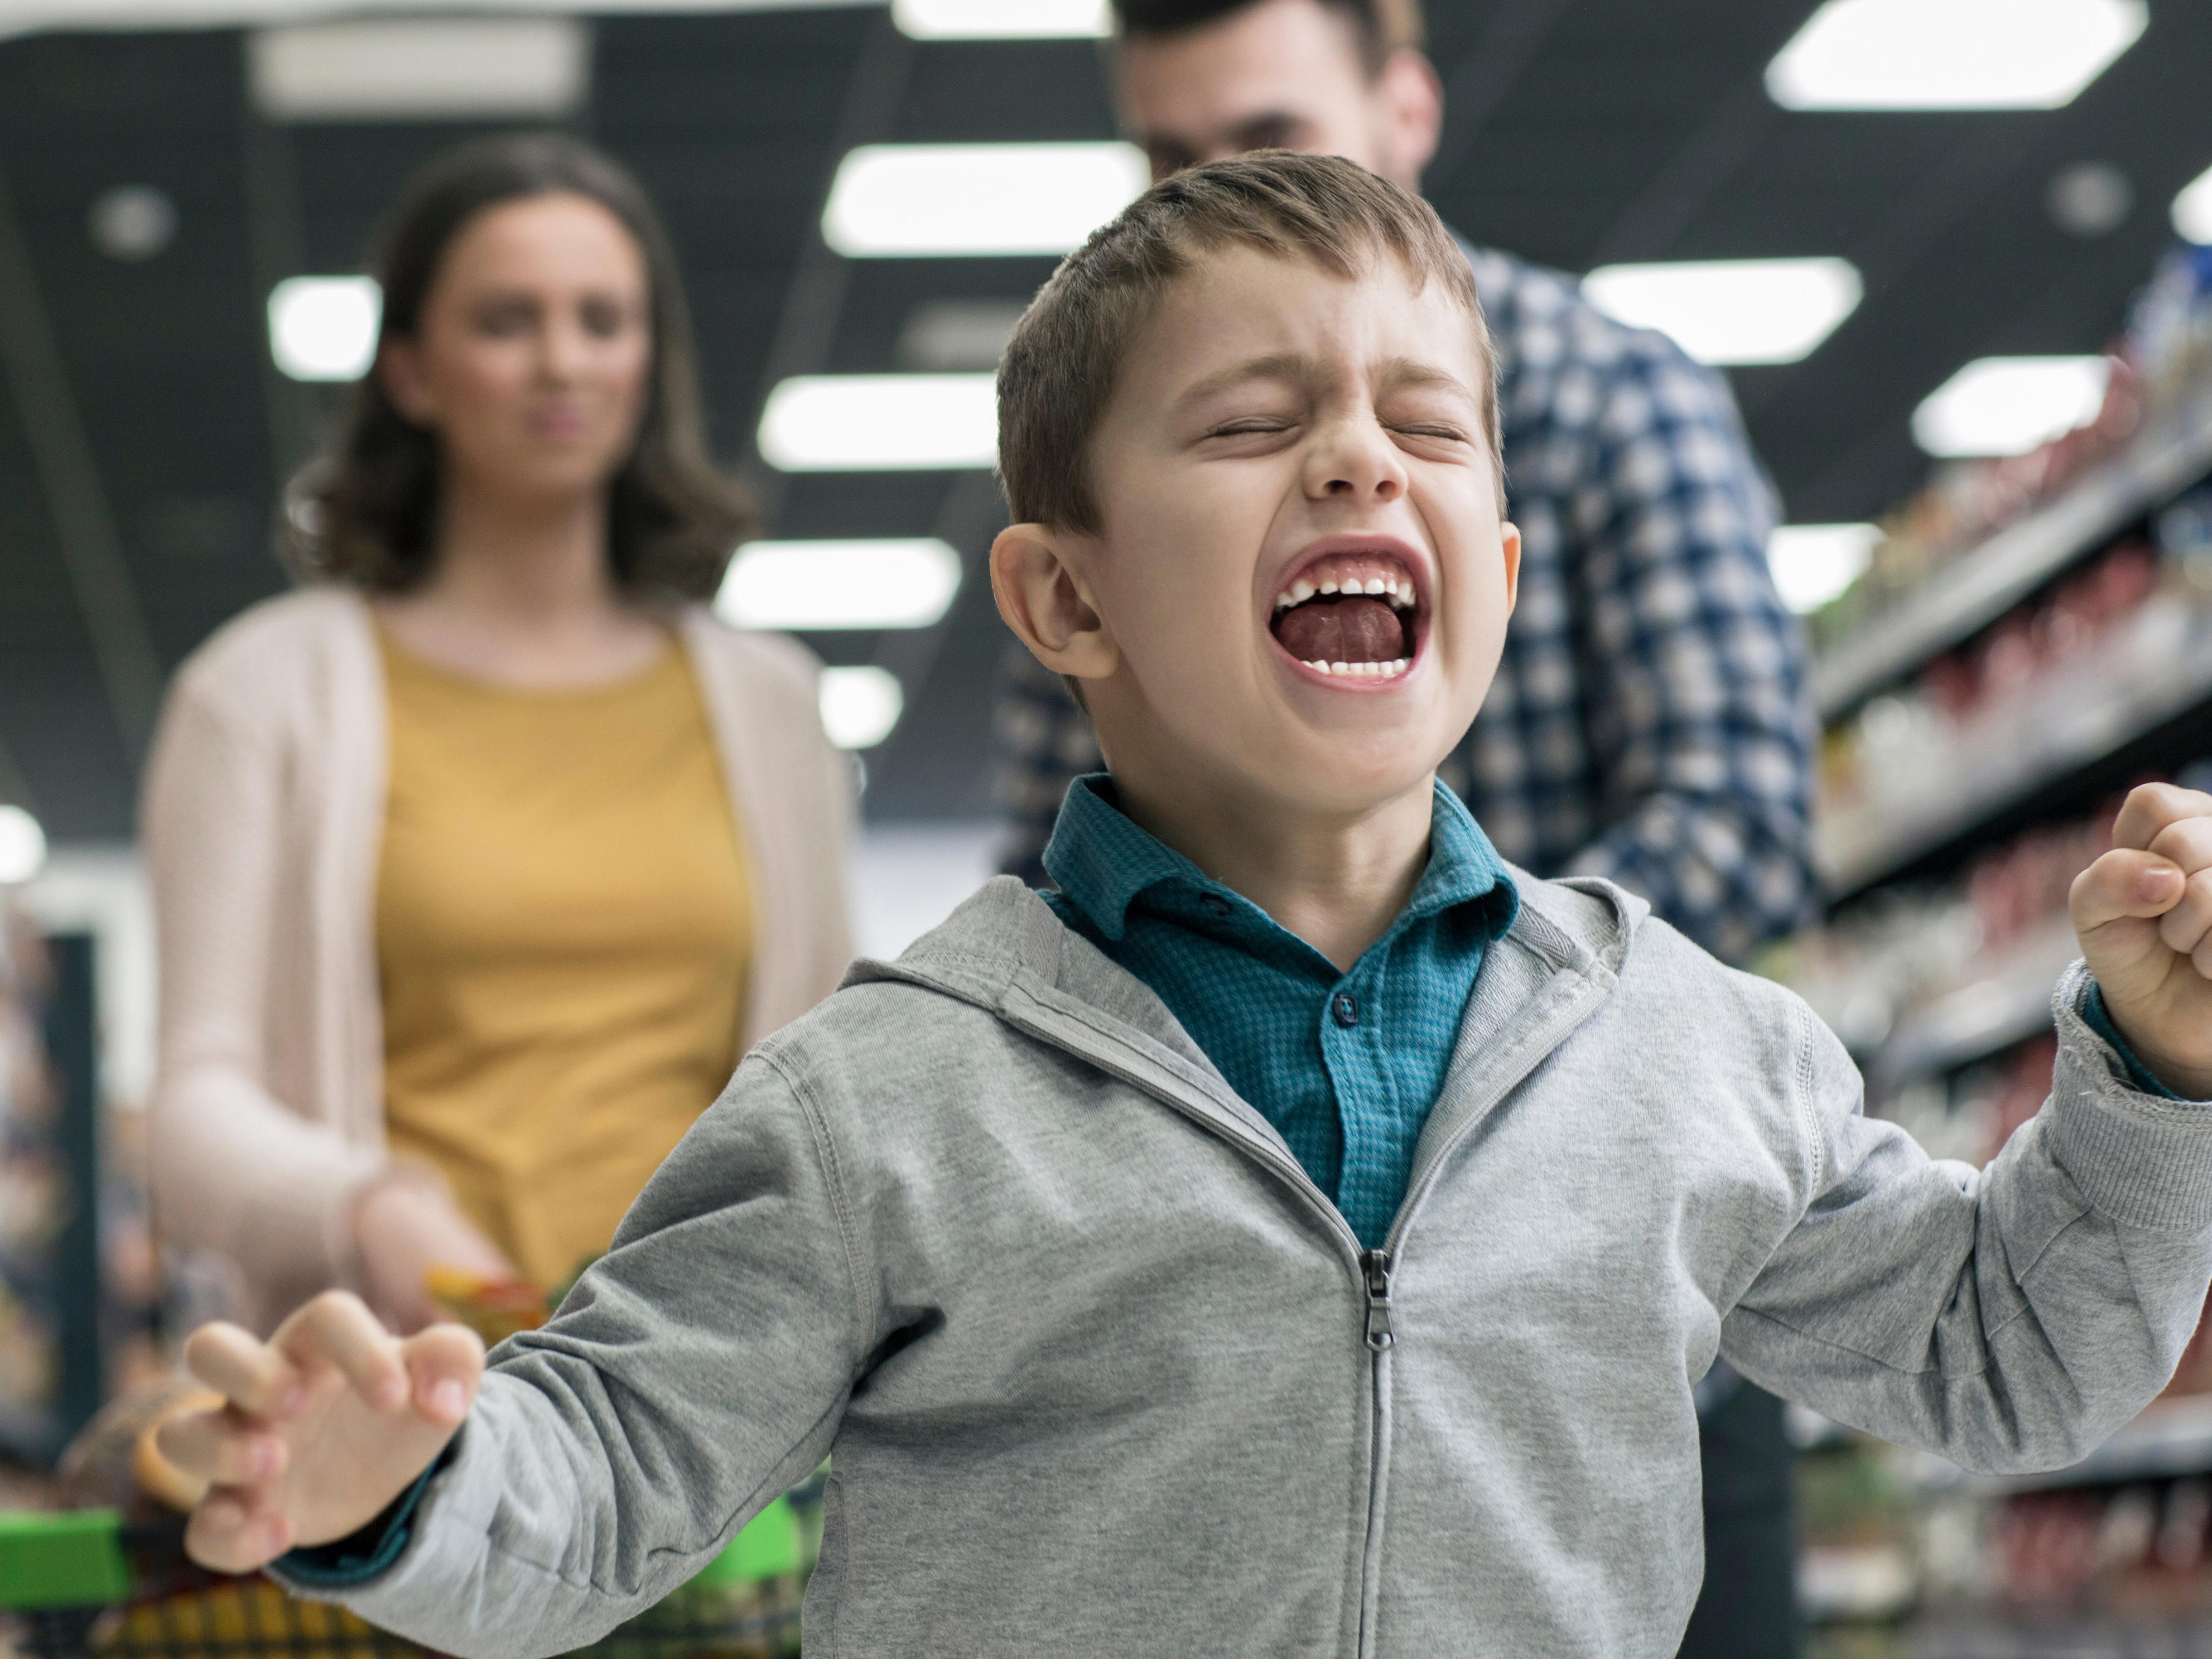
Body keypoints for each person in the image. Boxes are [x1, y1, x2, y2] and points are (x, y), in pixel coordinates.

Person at [159, 156, 2212, 1659]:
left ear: (1490, 563)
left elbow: (2006, 1349)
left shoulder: (1687, 1046)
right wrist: (402, 1489)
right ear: (1065, 600)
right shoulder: (886, 1099)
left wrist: (2154, 1073)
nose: (1352, 459)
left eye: (1422, 422)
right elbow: (601, 1471)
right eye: (1249, 423)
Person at [983, 4, 1820, 1646]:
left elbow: (1738, 806)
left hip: (1619, 1326)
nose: (1216, 185)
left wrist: (1436, 1001)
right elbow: (1054, 865)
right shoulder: (1109, 463)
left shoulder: (1604, 395)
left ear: (1409, 107)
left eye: (1273, 134)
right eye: (1169, 153)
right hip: (1229, 1350)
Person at [142, 133, 853, 1339]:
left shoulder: (771, 701)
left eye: (602, 318)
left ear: (647, 361)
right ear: (413, 374)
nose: (563, 360)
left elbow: (840, 1068)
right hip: (401, 1401)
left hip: (721, 1411)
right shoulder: (261, 694)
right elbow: (191, 1107)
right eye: (505, 321)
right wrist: (365, 1209)